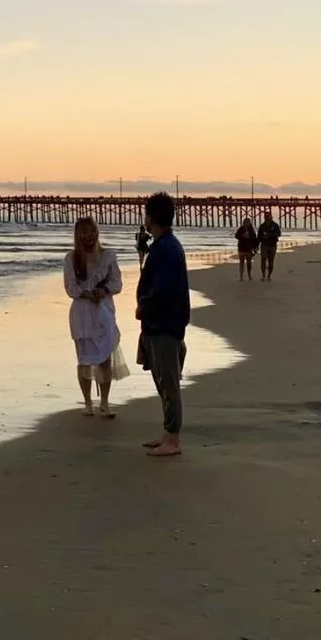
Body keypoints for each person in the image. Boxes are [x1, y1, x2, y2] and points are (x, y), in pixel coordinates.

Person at [136, 191, 190, 457]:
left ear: (152, 217)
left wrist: (144, 307)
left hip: (164, 325)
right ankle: (168, 433)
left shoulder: (166, 248)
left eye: (146, 214)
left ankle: (173, 439)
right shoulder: (165, 245)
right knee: (163, 380)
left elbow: (163, 288)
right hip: (164, 323)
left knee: (168, 382)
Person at [63, 217, 125, 418]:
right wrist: (86, 293)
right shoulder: (71, 259)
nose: (88, 236)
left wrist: (103, 290)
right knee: (84, 359)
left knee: (105, 357)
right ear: (78, 235)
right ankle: (88, 403)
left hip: (104, 310)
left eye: (92, 231)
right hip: (82, 312)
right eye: (84, 232)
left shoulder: (108, 256)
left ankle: (105, 402)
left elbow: (117, 283)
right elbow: (70, 287)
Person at [257, 209, 282, 281]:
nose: (267, 217)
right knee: (263, 260)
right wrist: (257, 244)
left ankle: (269, 276)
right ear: (264, 217)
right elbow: (258, 236)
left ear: (271, 217)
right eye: (266, 216)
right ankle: (263, 275)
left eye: (268, 216)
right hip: (264, 245)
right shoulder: (262, 226)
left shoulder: (275, 225)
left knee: (271, 261)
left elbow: (279, 234)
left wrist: (270, 235)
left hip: (273, 245)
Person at [235, 217, 258, 281]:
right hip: (241, 248)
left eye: (249, 222)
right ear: (244, 223)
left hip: (249, 248)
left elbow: (254, 238)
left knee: (249, 263)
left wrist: (255, 247)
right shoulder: (241, 229)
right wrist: (243, 235)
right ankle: (241, 277)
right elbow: (236, 236)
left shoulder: (251, 230)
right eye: (247, 222)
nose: (248, 223)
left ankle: (249, 275)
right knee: (241, 262)